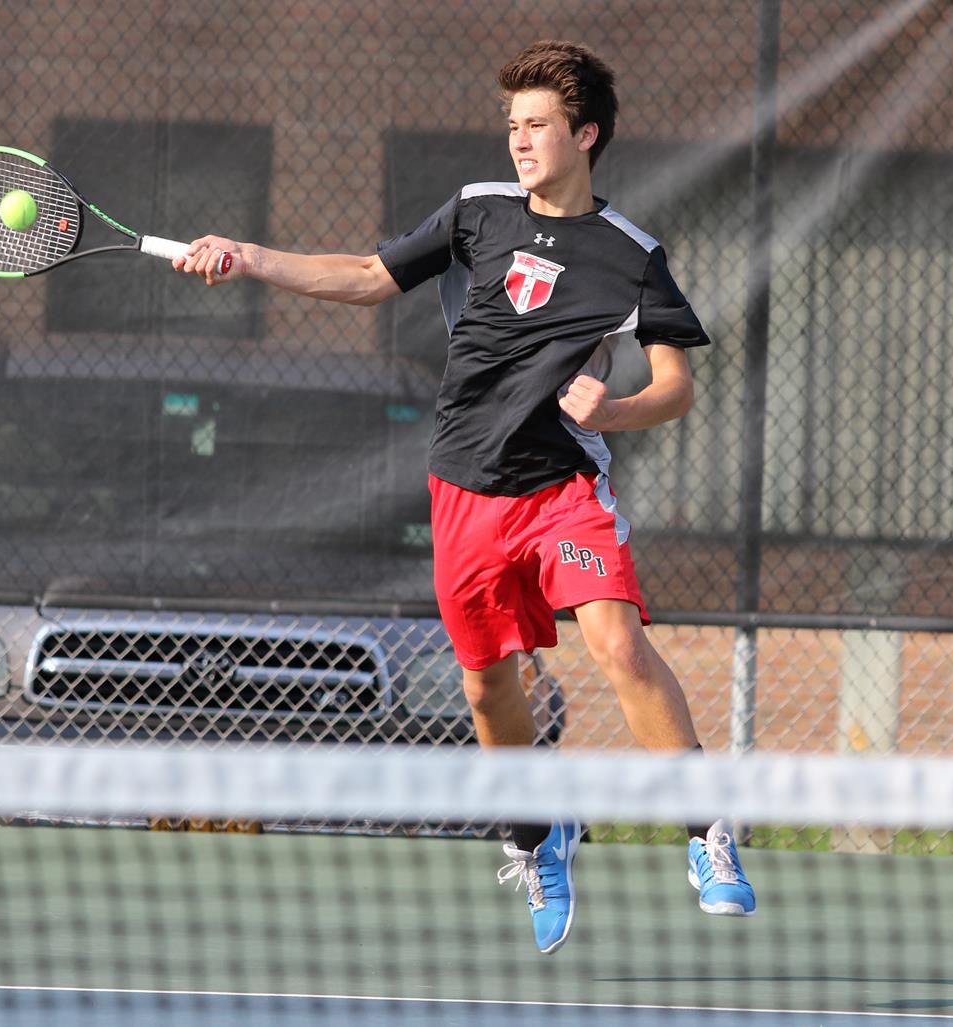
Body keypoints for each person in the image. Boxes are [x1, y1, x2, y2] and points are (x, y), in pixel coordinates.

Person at [173, 39, 754, 953]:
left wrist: (617, 407)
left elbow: (676, 386)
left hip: (563, 487)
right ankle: (537, 835)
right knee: (485, 689)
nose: (519, 139)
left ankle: (706, 833)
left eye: (538, 124)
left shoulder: (633, 256)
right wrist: (248, 255)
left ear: (585, 135)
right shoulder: (478, 213)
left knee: (617, 644)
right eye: (513, 124)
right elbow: (368, 277)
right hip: (465, 487)